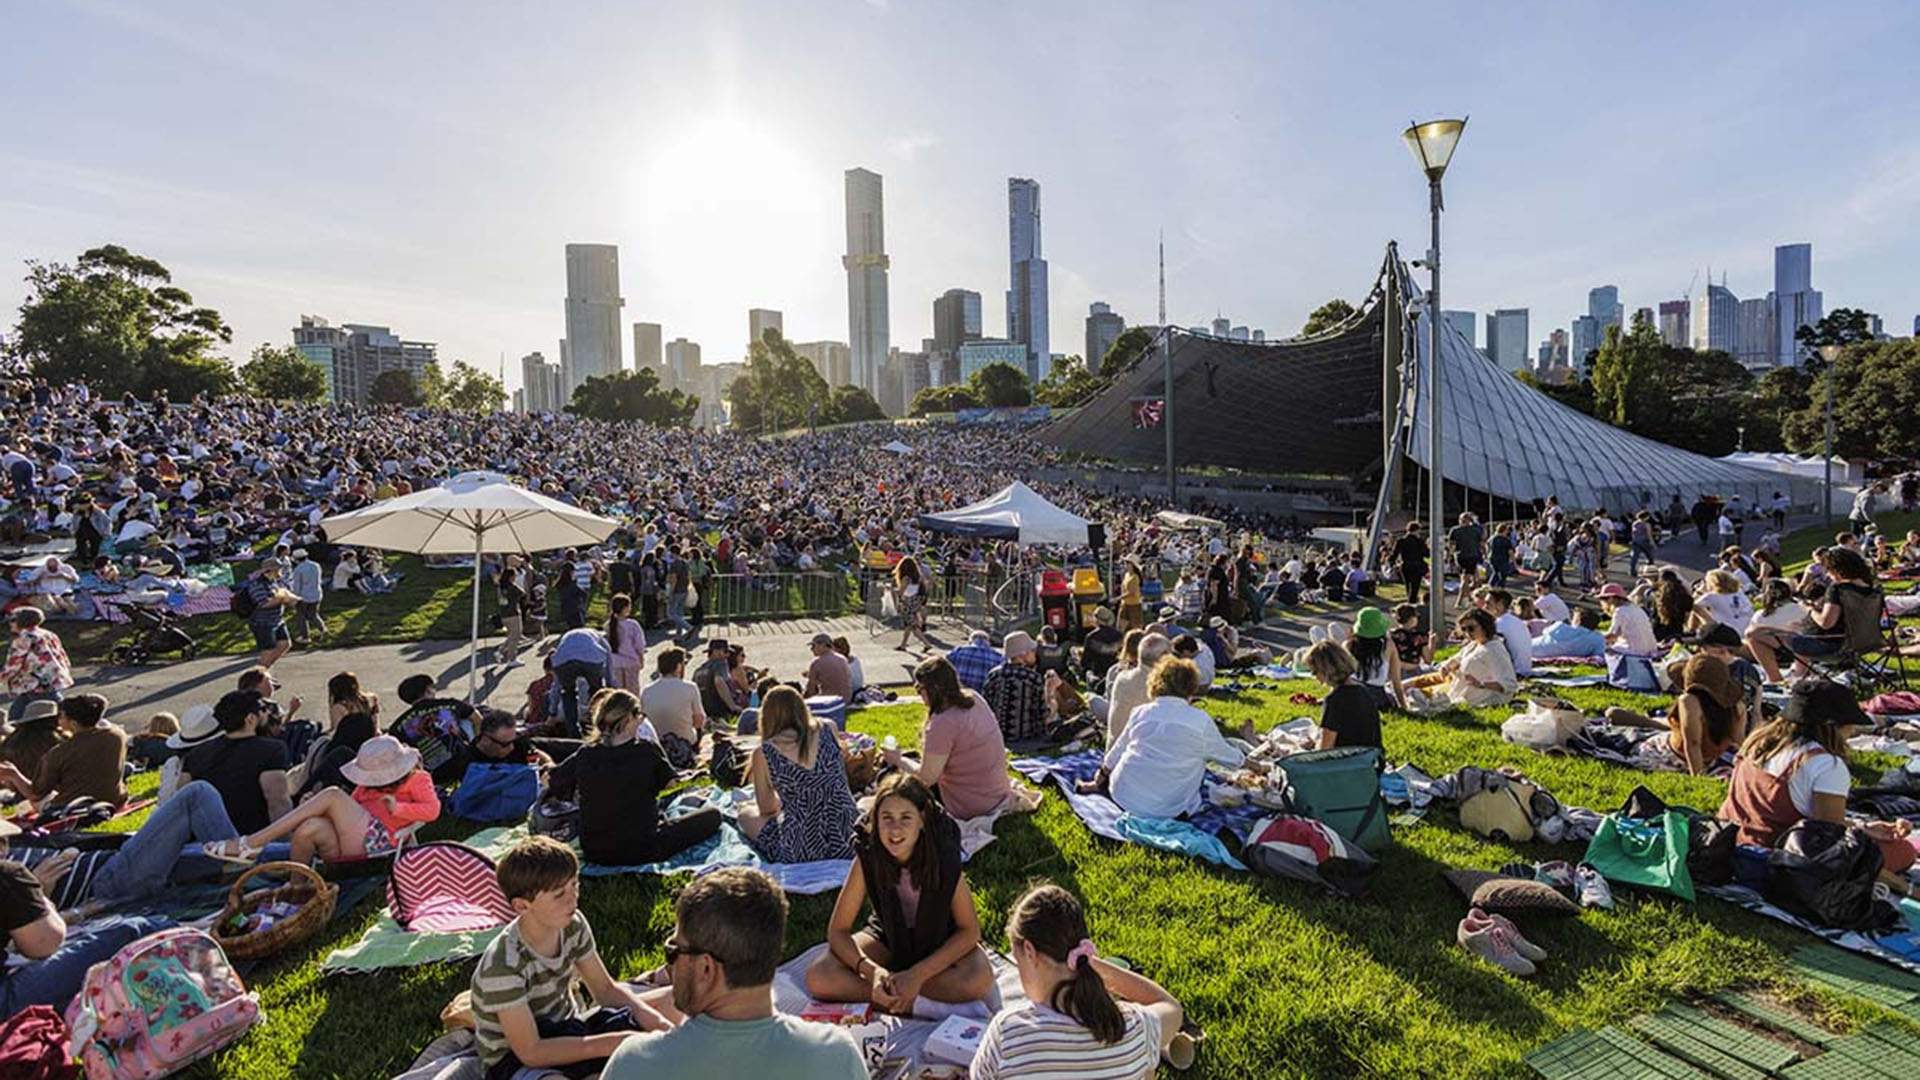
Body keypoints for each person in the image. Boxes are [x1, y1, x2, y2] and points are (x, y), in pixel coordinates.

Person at [600, 867, 864, 1078]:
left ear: (705, 968)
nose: (669, 966)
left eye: (673, 952)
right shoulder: (834, 1056)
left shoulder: (635, 1064)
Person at [468, 836, 679, 1079]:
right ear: (522, 906)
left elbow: (606, 990)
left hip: (568, 1030)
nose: (573, 898)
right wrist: (616, 1042)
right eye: (559, 894)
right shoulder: (503, 966)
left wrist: (661, 1026)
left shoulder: (572, 924)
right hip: (514, 1058)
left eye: (574, 885)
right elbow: (531, 1052)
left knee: (673, 1000)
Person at [804, 774, 994, 1013]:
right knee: (819, 975)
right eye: (887, 818)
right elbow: (838, 930)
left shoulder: (942, 855)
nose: (895, 829)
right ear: (876, 820)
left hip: (939, 939)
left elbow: (969, 930)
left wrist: (918, 975)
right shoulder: (869, 854)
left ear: (922, 820)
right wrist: (871, 972)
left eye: (906, 818)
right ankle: (902, 999)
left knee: (978, 977)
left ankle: (901, 994)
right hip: (889, 936)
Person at [972, 883, 1188, 1079]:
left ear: (1029, 952)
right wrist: (1091, 963)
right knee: (1147, 1070)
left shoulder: (1008, 1032)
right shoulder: (1133, 1027)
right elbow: (1171, 1007)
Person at [1719, 679, 1916, 894]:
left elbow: (1815, 820)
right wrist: (1905, 888)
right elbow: (1833, 845)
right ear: (1832, 726)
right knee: (1903, 851)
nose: (1852, 730)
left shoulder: (1757, 743)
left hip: (1731, 842)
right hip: (1782, 860)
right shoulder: (1825, 765)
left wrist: (1863, 827)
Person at [0, 815, 176, 1015]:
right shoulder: (7, 876)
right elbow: (46, 944)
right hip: (7, 1003)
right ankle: (205, 965)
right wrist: (38, 897)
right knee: (137, 929)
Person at [546, 690, 720, 867]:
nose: (641, 720)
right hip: (642, 849)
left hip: (595, 850)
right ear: (628, 719)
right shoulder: (647, 750)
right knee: (713, 816)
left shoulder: (585, 754)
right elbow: (672, 784)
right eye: (640, 715)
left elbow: (553, 781)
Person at [203, 734, 439, 864]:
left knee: (333, 794)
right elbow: (353, 809)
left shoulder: (418, 779)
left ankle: (253, 842)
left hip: (382, 840)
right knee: (310, 827)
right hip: (353, 842)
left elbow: (432, 810)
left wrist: (399, 808)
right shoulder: (366, 785)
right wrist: (314, 806)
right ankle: (298, 888)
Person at [1105, 658, 1249, 819]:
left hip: (1123, 795)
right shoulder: (1200, 720)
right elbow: (1228, 757)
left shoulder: (1140, 712)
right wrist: (1258, 766)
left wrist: (1102, 774)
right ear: (1191, 686)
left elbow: (1119, 748)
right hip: (1166, 808)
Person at [883, 656, 1013, 820]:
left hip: (972, 805)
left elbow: (926, 778)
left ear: (933, 688)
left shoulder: (944, 722)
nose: (919, 694)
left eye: (919, 689)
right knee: (912, 760)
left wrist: (897, 759)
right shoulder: (974, 698)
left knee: (901, 783)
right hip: (996, 792)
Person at [738, 687, 857, 863]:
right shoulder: (829, 728)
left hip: (802, 847)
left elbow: (767, 809)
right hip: (849, 836)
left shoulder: (764, 753)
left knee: (745, 815)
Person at [1604, 655, 1750, 775]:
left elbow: (1692, 744)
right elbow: (1739, 741)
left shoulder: (1690, 701)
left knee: (1617, 723)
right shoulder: (1737, 706)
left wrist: (1698, 777)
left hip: (1674, 756)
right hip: (1708, 757)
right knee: (1646, 723)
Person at [1754, 546, 1880, 680]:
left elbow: (1826, 623)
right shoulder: (1872, 589)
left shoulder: (1838, 589)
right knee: (1796, 627)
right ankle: (1799, 673)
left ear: (1838, 569)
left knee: (1753, 632)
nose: (1827, 574)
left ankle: (1776, 680)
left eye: (1829, 570)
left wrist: (1809, 609)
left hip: (1833, 648)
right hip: (1865, 643)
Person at [178, 689, 291, 835]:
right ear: (250, 719)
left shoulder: (196, 754)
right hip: (252, 840)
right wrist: (285, 845)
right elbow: (277, 801)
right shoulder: (272, 749)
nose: (267, 713)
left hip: (205, 840)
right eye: (262, 710)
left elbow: (182, 799)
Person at [0, 693, 125, 810]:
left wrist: (13, 774)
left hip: (73, 807)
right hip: (114, 800)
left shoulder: (58, 753)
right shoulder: (117, 735)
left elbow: (36, 795)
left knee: (40, 798)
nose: (59, 719)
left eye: (62, 716)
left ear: (74, 723)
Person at [1404, 610, 1517, 710]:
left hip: (1472, 694)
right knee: (1405, 686)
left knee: (1415, 695)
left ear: (1484, 626)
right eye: (1464, 629)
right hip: (1454, 683)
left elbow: (1510, 684)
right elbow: (1458, 657)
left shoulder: (1494, 650)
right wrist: (1447, 666)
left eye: (1471, 628)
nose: (1467, 633)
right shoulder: (1475, 644)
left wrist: (1481, 684)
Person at [1302, 641, 1382, 751]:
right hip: (1371, 759)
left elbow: (1325, 750)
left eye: (1314, 672)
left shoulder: (1334, 700)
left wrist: (1312, 747)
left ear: (1325, 670)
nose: (1314, 676)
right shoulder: (1363, 691)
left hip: (1347, 762)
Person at [981, 631, 1059, 745]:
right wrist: (1050, 692)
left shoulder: (993, 674)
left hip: (996, 735)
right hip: (1027, 738)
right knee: (1054, 707)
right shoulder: (1032, 677)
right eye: (1032, 651)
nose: (1035, 654)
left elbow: (985, 707)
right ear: (1022, 655)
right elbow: (1044, 716)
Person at [1104, 634, 1173, 748]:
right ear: (1164, 657)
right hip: (1140, 757)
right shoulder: (1162, 687)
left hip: (1114, 752)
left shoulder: (1122, 677)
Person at [4, 607, 71, 724]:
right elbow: (61, 654)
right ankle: (14, 732)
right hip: (51, 677)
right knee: (18, 711)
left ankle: (78, 726)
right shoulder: (49, 634)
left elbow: (14, 662)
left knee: (57, 710)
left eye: (13, 619)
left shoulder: (24, 638)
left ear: (22, 621)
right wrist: (64, 670)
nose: (10, 622)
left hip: (34, 681)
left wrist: (3, 676)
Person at [549, 624, 611, 739]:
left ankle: (573, 732)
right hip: (592, 659)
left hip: (564, 661)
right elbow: (609, 671)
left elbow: (557, 685)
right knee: (597, 691)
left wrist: (552, 712)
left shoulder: (565, 640)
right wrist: (611, 689)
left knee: (567, 692)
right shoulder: (600, 639)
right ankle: (596, 728)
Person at [1744, 580, 1811, 683]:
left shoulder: (1760, 616)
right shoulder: (1800, 608)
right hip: (1802, 650)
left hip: (1782, 652)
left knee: (1751, 638)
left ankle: (1774, 677)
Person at [244, 560, 298, 668]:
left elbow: (281, 594)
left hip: (277, 620)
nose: (281, 571)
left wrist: (288, 599)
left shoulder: (275, 581)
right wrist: (283, 598)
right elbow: (263, 604)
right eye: (279, 569)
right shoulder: (257, 584)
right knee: (267, 652)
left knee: (285, 644)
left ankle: (264, 670)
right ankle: (259, 676)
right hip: (263, 623)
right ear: (270, 570)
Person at [1478, 589, 1533, 680]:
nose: (1484, 607)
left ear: (1499, 605)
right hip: (1523, 668)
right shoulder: (1514, 620)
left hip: (1513, 672)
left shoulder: (1499, 624)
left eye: (1488, 604)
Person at [1594, 583, 1658, 654]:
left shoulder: (1620, 611)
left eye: (1604, 599)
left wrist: (1594, 636)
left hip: (1635, 650)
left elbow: (1612, 636)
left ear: (1612, 598)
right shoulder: (1636, 608)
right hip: (1651, 649)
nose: (1603, 601)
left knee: (1604, 649)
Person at [693, 638, 746, 724]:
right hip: (721, 711)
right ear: (716, 652)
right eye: (726, 652)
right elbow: (719, 681)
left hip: (706, 712)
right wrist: (732, 706)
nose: (728, 655)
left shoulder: (698, 671)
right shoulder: (720, 664)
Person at [1691, 569, 1755, 636]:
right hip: (1748, 628)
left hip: (1729, 632)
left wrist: (1699, 592)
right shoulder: (1739, 592)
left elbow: (1692, 605)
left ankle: (1692, 632)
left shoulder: (1712, 597)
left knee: (1697, 611)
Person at [893, 555, 935, 653]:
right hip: (915, 601)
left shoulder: (906, 578)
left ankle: (927, 644)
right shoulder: (917, 577)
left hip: (908, 602)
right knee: (909, 625)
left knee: (912, 626)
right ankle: (903, 645)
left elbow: (901, 592)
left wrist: (891, 590)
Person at [1530, 607, 1607, 660]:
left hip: (1531, 647)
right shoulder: (1597, 639)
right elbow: (1600, 654)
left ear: (1577, 621)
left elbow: (1545, 631)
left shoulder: (1561, 627)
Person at [605, 594, 646, 694]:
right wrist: (641, 659)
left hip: (615, 663)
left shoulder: (608, 625)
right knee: (632, 692)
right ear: (625, 608)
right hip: (631, 661)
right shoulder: (633, 624)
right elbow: (639, 645)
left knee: (617, 692)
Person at [945, 629, 1004, 694]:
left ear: (971, 640)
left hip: (960, 694)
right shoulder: (998, 657)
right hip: (983, 697)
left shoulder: (958, 651)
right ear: (988, 641)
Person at [496, 555, 529, 667]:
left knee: (512, 635)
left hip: (504, 614)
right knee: (516, 636)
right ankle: (511, 658)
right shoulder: (512, 587)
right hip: (514, 613)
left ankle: (500, 651)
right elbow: (523, 592)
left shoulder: (500, 587)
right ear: (511, 577)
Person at [288, 547, 326, 645]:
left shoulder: (298, 569)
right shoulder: (316, 565)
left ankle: (305, 637)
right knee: (313, 614)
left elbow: (297, 586)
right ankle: (323, 629)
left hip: (304, 596)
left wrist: (294, 598)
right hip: (317, 593)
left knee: (301, 616)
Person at [804, 632, 853, 702]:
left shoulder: (816, 663)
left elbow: (810, 690)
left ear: (823, 645)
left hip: (829, 702)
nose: (811, 649)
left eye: (813, 646)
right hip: (846, 699)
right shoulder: (842, 659)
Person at [1448, 513, 1484, 608]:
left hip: (1460, 556)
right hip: (1471, 556)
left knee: (1473, 578)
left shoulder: (1455, 530)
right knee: (1466, 579)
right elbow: (1481, 544)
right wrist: (1484, 553)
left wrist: (1449, 556)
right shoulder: (1476, 530)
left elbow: (1451, 545)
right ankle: (1461, 601)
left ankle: (1470, 598)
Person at [1080, 607, 1124, 682]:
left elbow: (1085, 661)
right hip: (1115, 671)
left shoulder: (1091, 636)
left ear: (1096, 620)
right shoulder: (1119, 635)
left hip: (1098, 673)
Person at [1392, 524, 1427, 605]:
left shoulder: (1401, 541)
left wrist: (1392, 562)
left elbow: (1394, 554)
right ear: (1417, 530)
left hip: (1405, 565)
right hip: (1417, 565)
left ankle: (1410, 601)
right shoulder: (1420, 541)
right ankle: (1412, 603)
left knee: (1408, 585)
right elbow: (1427, 554)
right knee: (1415, 587)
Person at [1118, 559, 1145, 632]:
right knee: (1121, 625)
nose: (1126, 565)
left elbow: (1131, 592)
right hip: (1125, 604)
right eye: (1125, 563)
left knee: (1136, 628)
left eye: (1128, 563)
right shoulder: (1126, 575)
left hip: (1134, 605)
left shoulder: (1135, 577)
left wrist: (1118, 598)